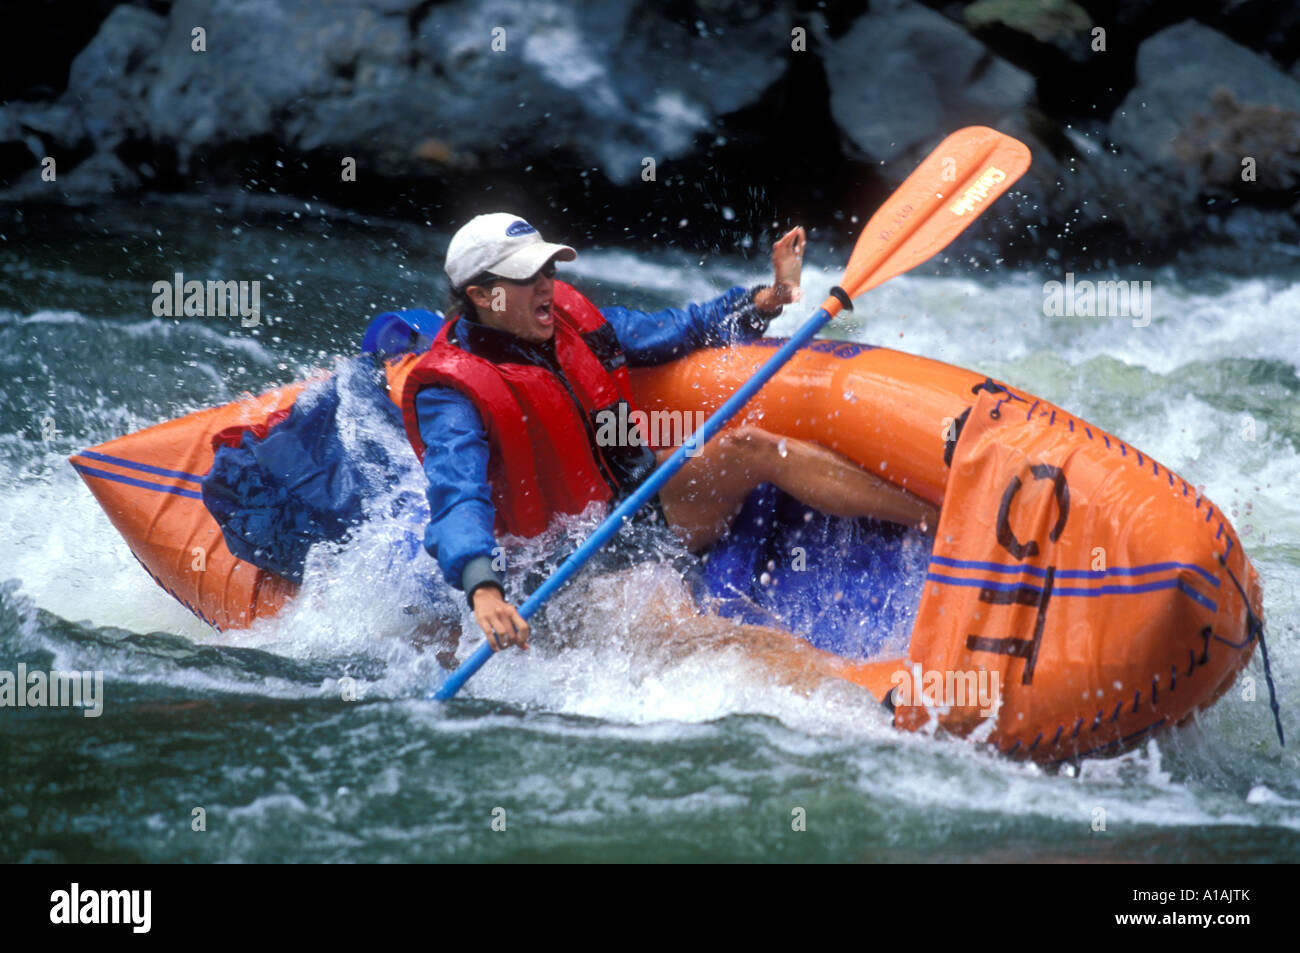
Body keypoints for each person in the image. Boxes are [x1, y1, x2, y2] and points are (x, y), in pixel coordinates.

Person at [399, 213, 938, 658]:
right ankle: (851, 692)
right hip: (559, 567)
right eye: (525, 276)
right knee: (696, 634)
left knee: (752, 447)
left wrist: (766, 299)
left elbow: (680, 329)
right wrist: (485, 589)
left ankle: (940, 516)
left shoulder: (574, 321)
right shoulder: (450, 393)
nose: (546, 284)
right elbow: (456, 496)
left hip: (640, 510)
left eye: (547, 268)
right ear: (483, 296)